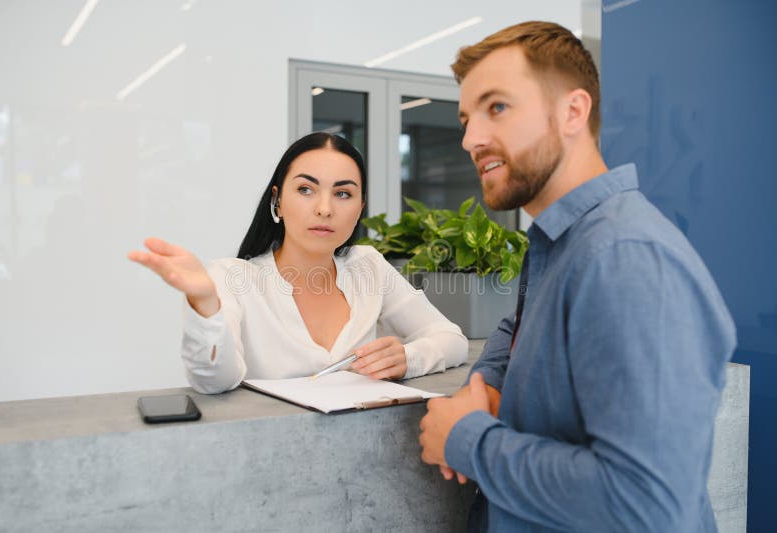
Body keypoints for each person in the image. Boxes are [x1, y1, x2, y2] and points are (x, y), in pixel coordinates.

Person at [418, 21, 736, 532]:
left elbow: (648, 506)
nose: (470, 139)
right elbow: (518, 331)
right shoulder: (562, 240)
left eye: (496, 107)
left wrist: (468, 439)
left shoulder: (626, 258)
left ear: (573, 111)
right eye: (466, 118)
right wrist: (487, 384)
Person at [129, 132, 467, 394]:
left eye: (343, 193)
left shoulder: (367, 267)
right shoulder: (233, 277)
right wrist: (205, 303)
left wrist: (407, 360)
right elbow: (214, 381)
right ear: (277, 201)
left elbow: (451, 339)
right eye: (306, 190)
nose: (324, 208)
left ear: (360, 207)